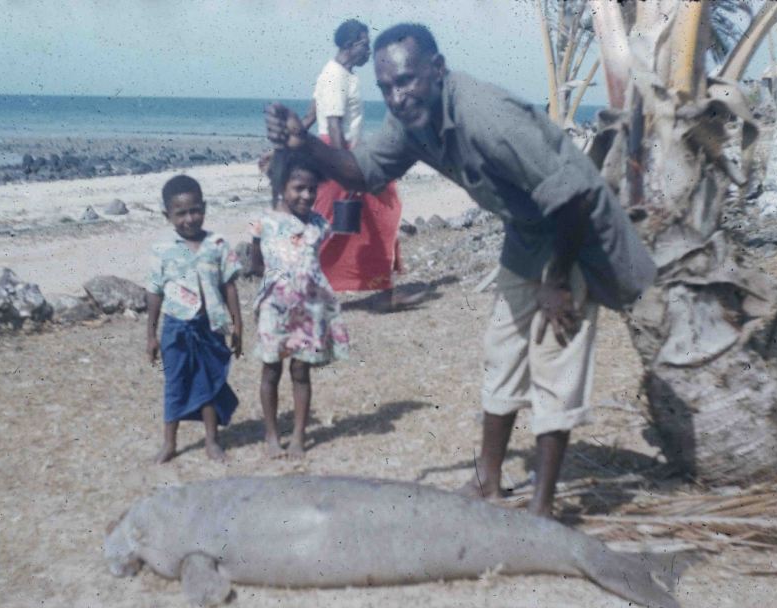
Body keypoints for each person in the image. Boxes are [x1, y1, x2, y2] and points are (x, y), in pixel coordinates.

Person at [265, 23, 655, 516]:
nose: (397, 97)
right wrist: (304, 143)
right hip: (528, 234)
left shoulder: (487, 117)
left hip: (574, 236)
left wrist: (556, 283)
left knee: (555, 361)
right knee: (502, 353)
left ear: (437, 69)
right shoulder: (412, 121)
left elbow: (572, 196)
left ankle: (542, 509)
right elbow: (362, 172)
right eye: (386, 88)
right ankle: (487, 482)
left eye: (406, 81)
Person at [303, 19, 426, 312]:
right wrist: (346, 171)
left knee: (379, 215)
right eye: (364, 44)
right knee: (330, 227)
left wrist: (285, 144)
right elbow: (333, 125)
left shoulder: (341, 74)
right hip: (338, 155)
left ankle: (382, 291)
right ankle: (303, 291)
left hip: (346, 153)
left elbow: (309, 116)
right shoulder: (334, 76)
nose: (368, 51)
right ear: (350, 45)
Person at [251, 149, 350, 459]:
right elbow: (256, 264)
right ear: (282, 186)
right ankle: (271, 435)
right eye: (298, 188)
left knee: (301, 371)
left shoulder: (319, 224)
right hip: (274, 308)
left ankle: (298, 436)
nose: (307, 195)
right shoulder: (264, 222)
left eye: (312, 189)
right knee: (271, 370)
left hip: (308, 310)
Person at [146, 175, 243, 464]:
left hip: (210, 327)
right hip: (176, 328)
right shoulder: (162, 250)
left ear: (204, 208)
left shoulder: (217, 244)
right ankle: (169, 442)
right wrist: (151, 334)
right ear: (167, 215)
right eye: (181, 213)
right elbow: (154, 292)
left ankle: (212, 441)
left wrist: (237, 324)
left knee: (209, 383)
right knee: (175, 384)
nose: (189, 219)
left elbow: (229, 286)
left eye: (195, 211)